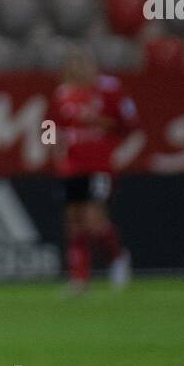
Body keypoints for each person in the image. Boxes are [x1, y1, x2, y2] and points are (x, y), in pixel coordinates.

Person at [48, 49, 137, 294]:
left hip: (99, 165)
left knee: (94, 219)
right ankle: (80, 279)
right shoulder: (63, 94)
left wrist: (102, 127)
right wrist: (53, 146)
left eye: (84, 65)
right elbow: (52, 124)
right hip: (71, 166)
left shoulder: (109, 90)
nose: (81, 70)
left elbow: (127, 123)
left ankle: (118, 258)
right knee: (74, 221)